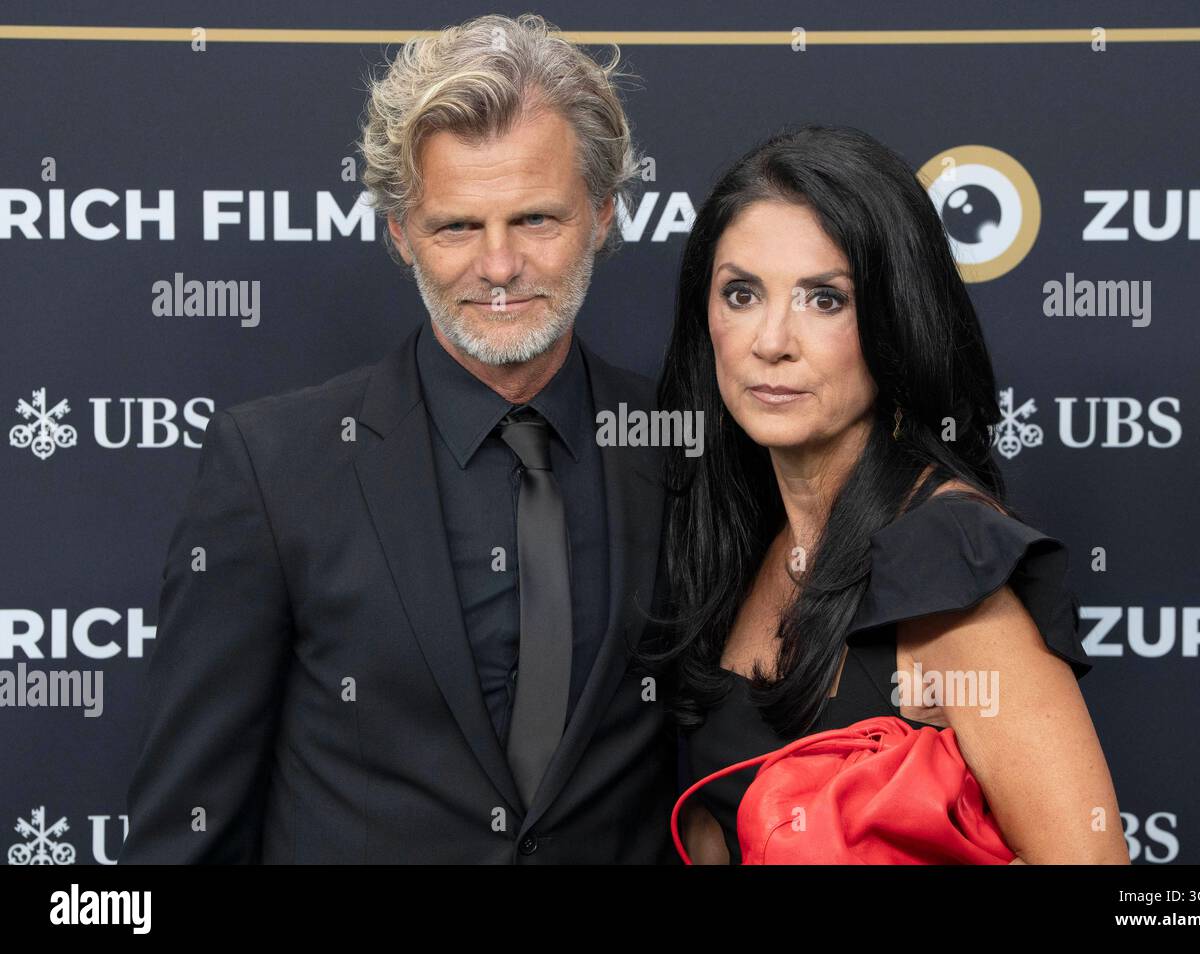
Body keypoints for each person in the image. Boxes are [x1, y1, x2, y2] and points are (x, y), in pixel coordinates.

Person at [120, 14, 677, 864]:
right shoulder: (273, 469)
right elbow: (182, 836)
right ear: (400, 233)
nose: (498, 267)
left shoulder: (682, 453)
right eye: (457, 226)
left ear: (602, 215)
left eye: (535, 219)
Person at [652, 124, 1129, 864]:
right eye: (742, 293)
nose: (771, 340)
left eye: (824, 299)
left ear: (893, 321)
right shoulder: (734, 537)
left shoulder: (941, 557)